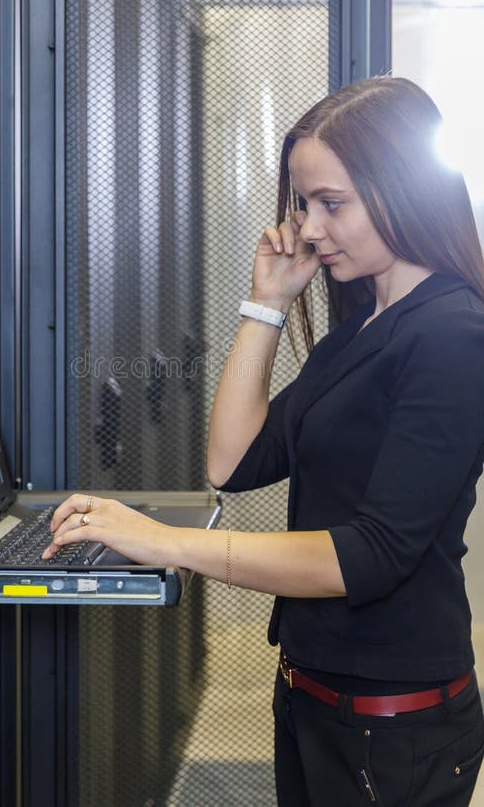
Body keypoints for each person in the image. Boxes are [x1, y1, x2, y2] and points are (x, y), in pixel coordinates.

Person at [43, 76, 484, 805]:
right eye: (304, 204)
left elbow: (367, 554)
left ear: (403, 189)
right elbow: (235, 461)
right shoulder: (360, 331)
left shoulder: (453, 337)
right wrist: (268, 304)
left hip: (391, 728)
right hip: (314, 697)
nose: (308, 228)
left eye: (331, 203)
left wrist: (160, 540)